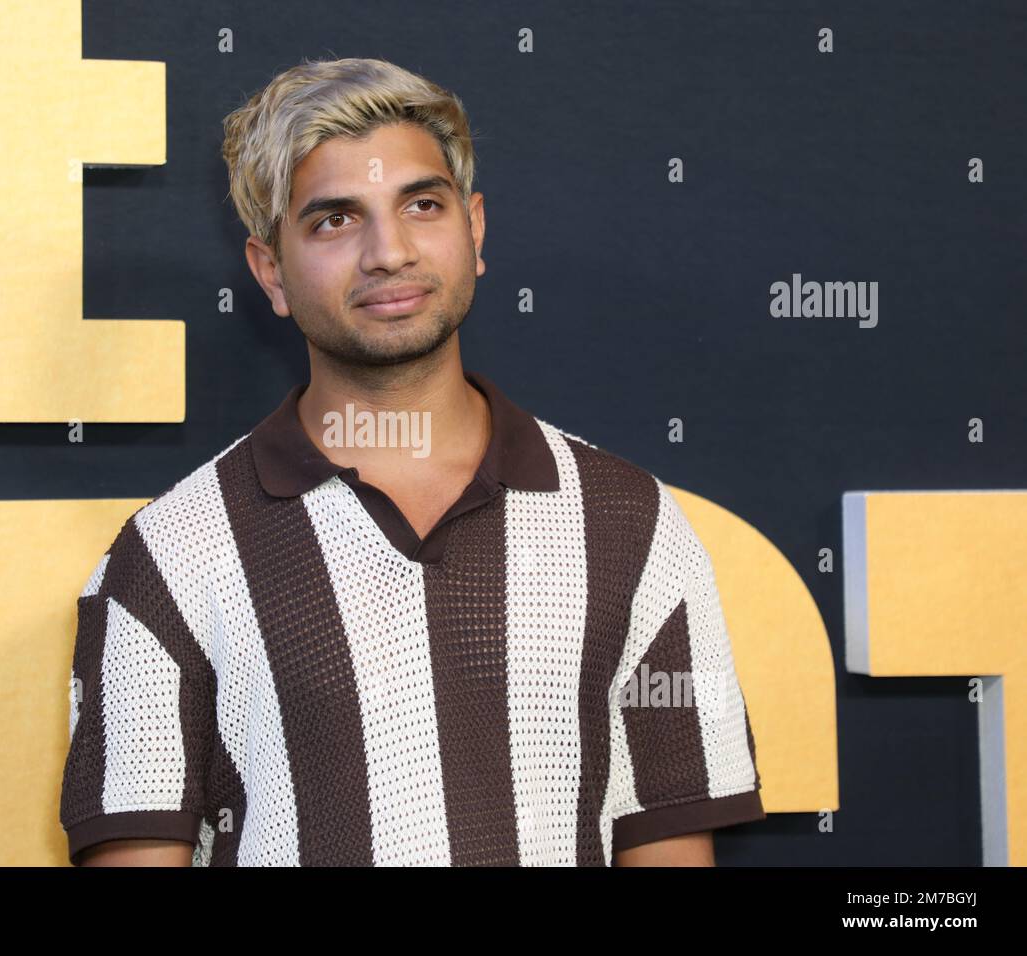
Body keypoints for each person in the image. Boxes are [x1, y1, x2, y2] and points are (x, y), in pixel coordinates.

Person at [59, 56, 764, 867]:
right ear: (270, 274)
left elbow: (669, 849)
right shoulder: (169, 555)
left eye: (421, 205)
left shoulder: (628, 522)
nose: (387, 252)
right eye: (334, 220)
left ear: (475, 229)